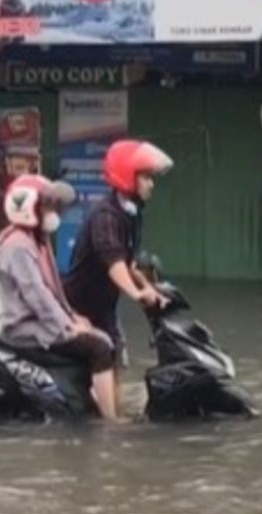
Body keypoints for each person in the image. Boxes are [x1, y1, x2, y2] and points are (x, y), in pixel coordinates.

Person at [0, 174, 121, 421]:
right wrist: (65, 326)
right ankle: (110, 422)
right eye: (47, 206)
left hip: (40, 323)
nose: (54, 212)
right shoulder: (18, 246)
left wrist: (72, 316)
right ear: (28, 208)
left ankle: (88, 403)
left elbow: (52, 291)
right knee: (100, 347)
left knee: (100, 335)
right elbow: (37, 296)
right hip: (25, 328)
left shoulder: (37, 240)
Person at [62, 139, 173, 402]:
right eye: (145, 177)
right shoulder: (106, 216)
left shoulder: (132, 213)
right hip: (79, 307)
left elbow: (128, 262)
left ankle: (112, 410)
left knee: (118, 361)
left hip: (105, 306)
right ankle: (110, 422)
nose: (151, 184)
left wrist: (149, 288)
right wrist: (137, 295)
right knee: (105, 357)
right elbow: (113, 263)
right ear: (127, 177)